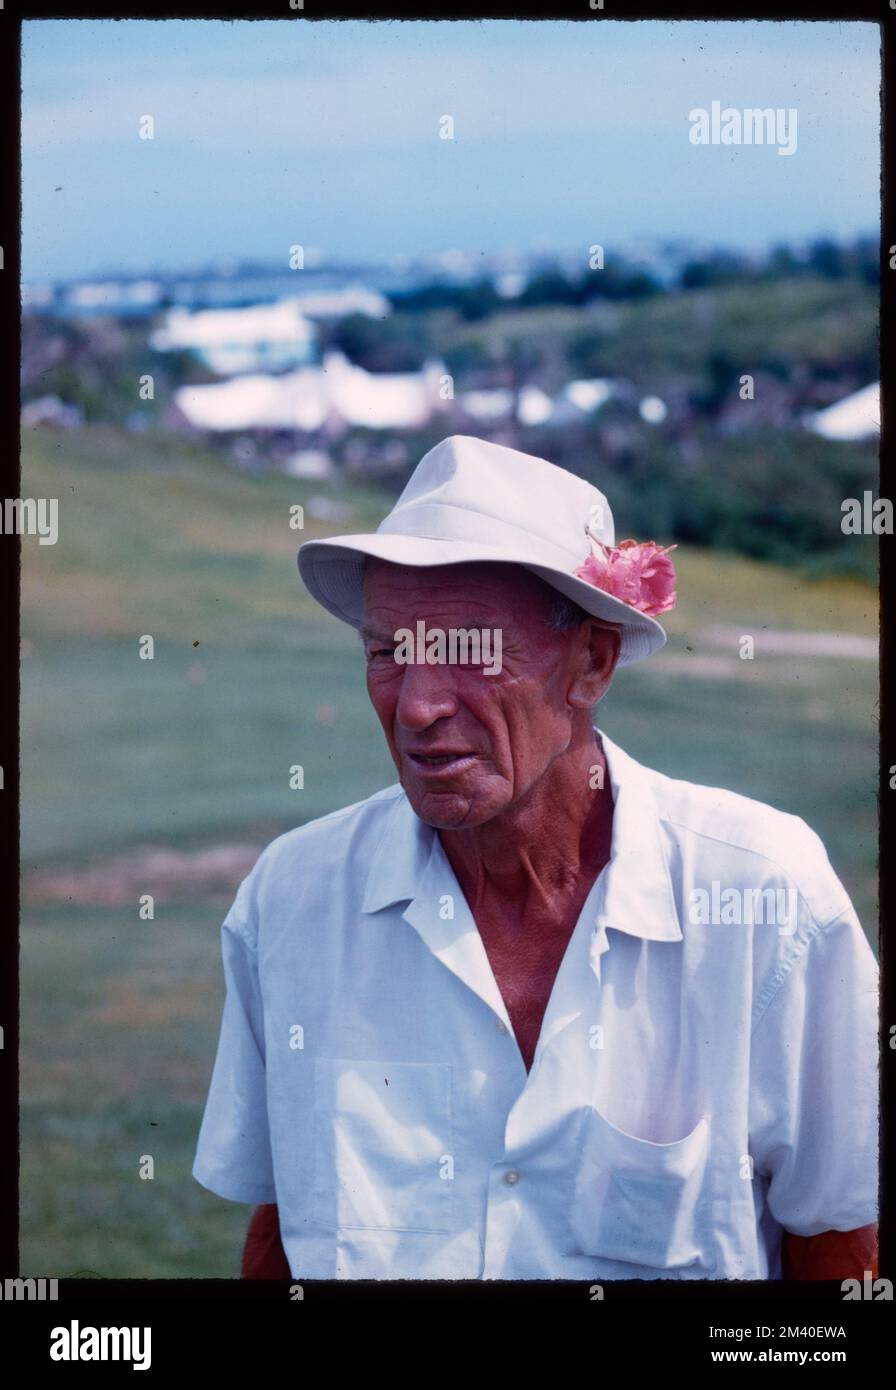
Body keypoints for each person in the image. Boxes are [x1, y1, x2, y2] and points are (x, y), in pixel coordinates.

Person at [193, 435, 878, 1281]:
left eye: (470, 652)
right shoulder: (293, 900)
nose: (417, 706)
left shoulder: (764, 896)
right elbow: (285, 1225)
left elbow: (838, 1241)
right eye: (386, 652)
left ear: (592, 662)